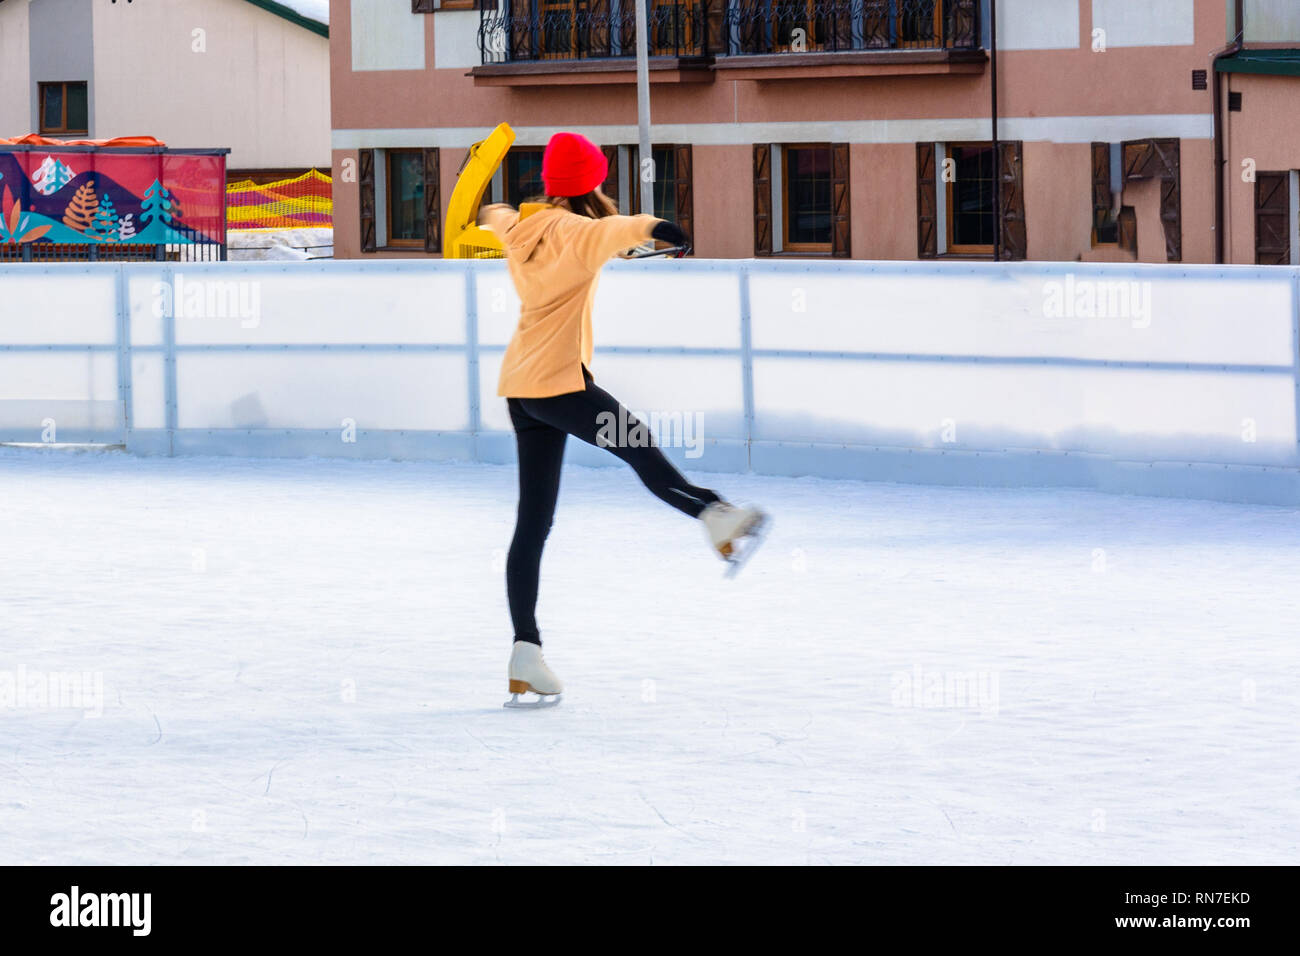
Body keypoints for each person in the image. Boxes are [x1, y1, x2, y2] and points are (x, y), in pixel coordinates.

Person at [479, 131, 767, 705]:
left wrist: (493, 211)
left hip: (523, 391)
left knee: (532, 523)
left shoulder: (522, 228)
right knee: (638, 445)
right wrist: (667, 232)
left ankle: (525, 652)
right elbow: (622, 228)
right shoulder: (578, 231)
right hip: (560, 383)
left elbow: (496, 212)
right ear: (590, 183)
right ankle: (714, 515)